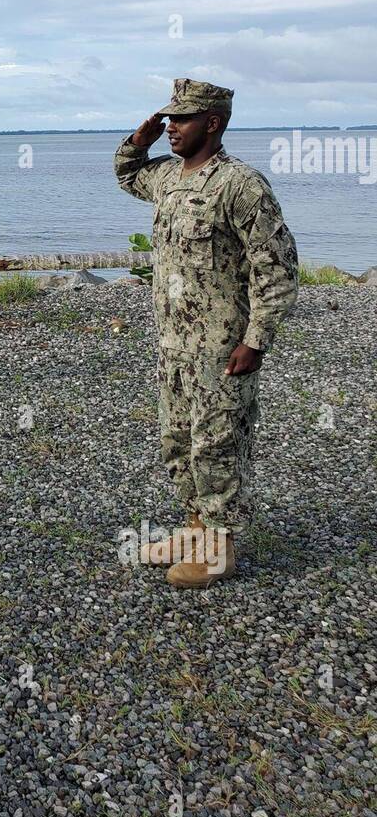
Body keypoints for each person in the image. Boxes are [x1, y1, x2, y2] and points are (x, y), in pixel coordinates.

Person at [114, 78, 298, 587]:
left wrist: (256, 339)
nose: (172, 127)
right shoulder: (169, 179)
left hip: (222, 347)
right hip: (173, 345)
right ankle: (196, 528)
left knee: (218, 445)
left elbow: (277, 268)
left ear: (213, 123)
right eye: (169, 118)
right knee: (177, 442)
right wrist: (142, 136)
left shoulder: (241, 184)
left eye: (182, 119)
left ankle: (220, 548)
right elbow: (127, 174)